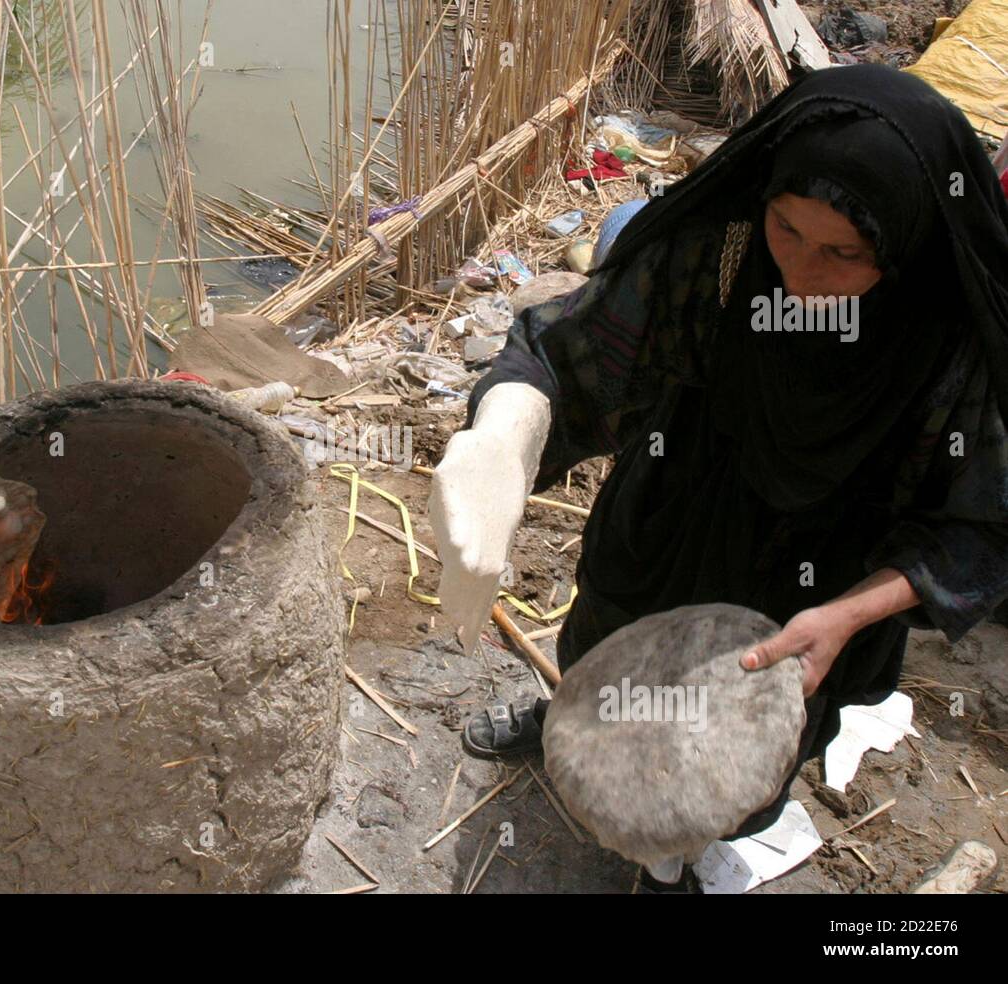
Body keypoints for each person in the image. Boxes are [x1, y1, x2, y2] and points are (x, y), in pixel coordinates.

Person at [429, 64, 1008, 891]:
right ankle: (562, 719)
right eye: (790, 231)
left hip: (828, 571)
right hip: (678, 501)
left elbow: (982, 525)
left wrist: (848, 616)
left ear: (906, 240)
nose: (805, 275)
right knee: (607, 651)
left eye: (845, 253)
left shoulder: (954, 339)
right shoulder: (726, 252)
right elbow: (570, 350)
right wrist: (503, 437)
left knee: (739, 746)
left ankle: (697, 844)